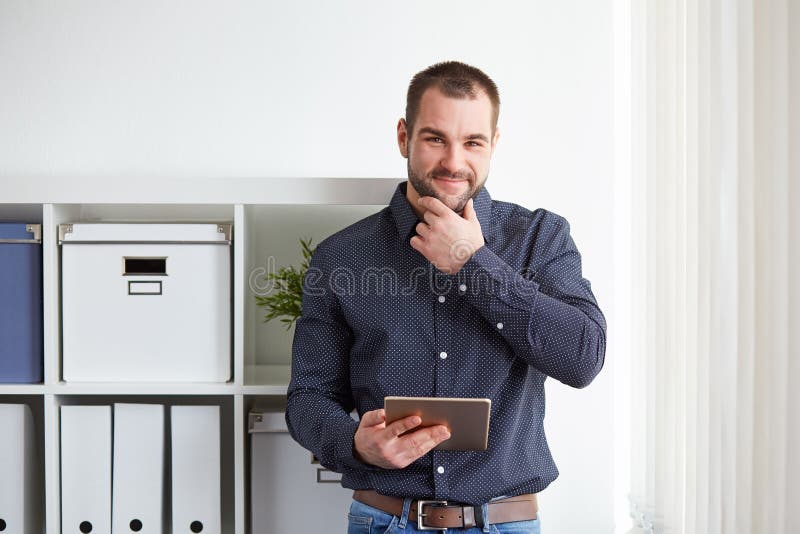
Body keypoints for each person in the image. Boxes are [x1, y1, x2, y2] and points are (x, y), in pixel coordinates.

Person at [286, 61, 606, 533]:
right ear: (403, 137)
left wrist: (473, 264)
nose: (454, 162)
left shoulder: (541, 238)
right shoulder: (341, 257)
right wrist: (355, 442)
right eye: (435, 138)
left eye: (473, 142)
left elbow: (583, 358)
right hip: (383, 520)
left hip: (505, 522)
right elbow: (307, 398)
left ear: (493, 144)